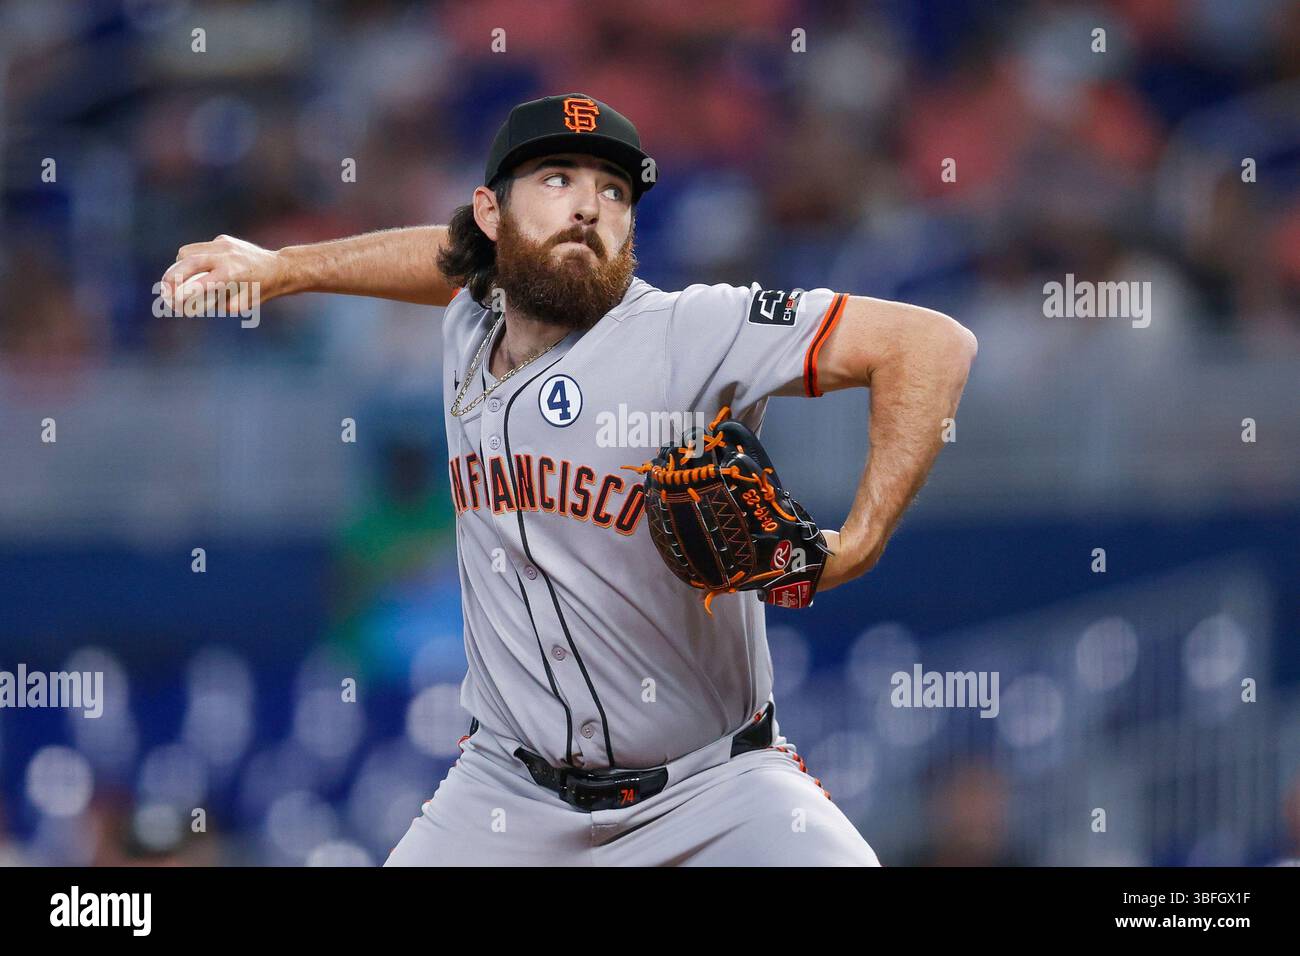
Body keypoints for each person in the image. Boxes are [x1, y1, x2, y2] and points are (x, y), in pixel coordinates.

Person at [161, 93, 977, 866]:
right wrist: (285, 269)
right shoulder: (470, 314)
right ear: (491, 215)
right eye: (557, 181)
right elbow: (444, 260)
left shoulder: (686, 332)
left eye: (615, 191)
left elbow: (931, 344)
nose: (589, 207)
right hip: (508, 793)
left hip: (715, 786)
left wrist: (857, 543)